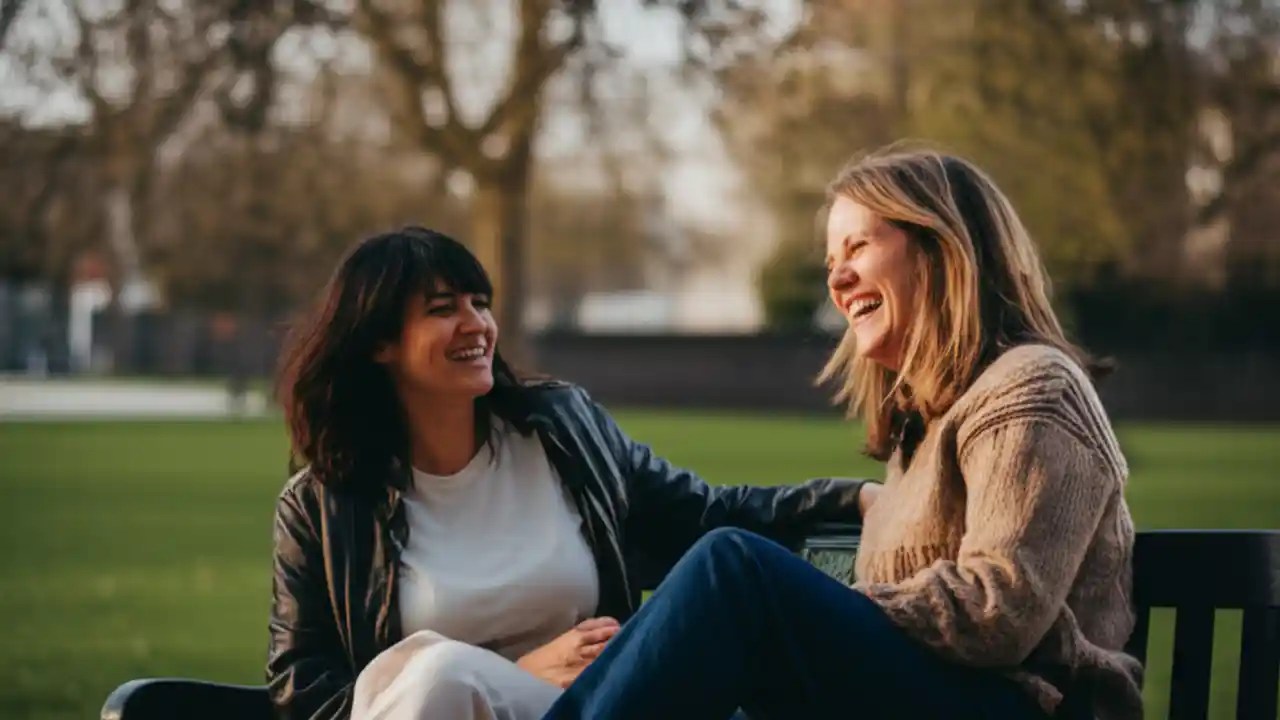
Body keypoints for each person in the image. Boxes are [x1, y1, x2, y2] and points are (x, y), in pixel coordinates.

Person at [542, 148, 1144, 720]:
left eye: (858, 247)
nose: (839, 279)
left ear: (940, 248)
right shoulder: (924, 422)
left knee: (734, 570)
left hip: (1023, 706)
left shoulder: (1030, 387)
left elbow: (997, 610)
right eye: (832, 263)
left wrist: (811, 610)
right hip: (942, 699)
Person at [266, 226, 868, 720]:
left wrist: (857, 499)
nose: (476, 324)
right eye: (442, 310)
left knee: (442, 677)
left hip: (594, 707)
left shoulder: (562, 434)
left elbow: (709, 515)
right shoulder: (321, 507)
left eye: (480, 303)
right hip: (434, 708)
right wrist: (504, 678)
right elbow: (304, 691)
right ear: (379, 345)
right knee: (438, 678)